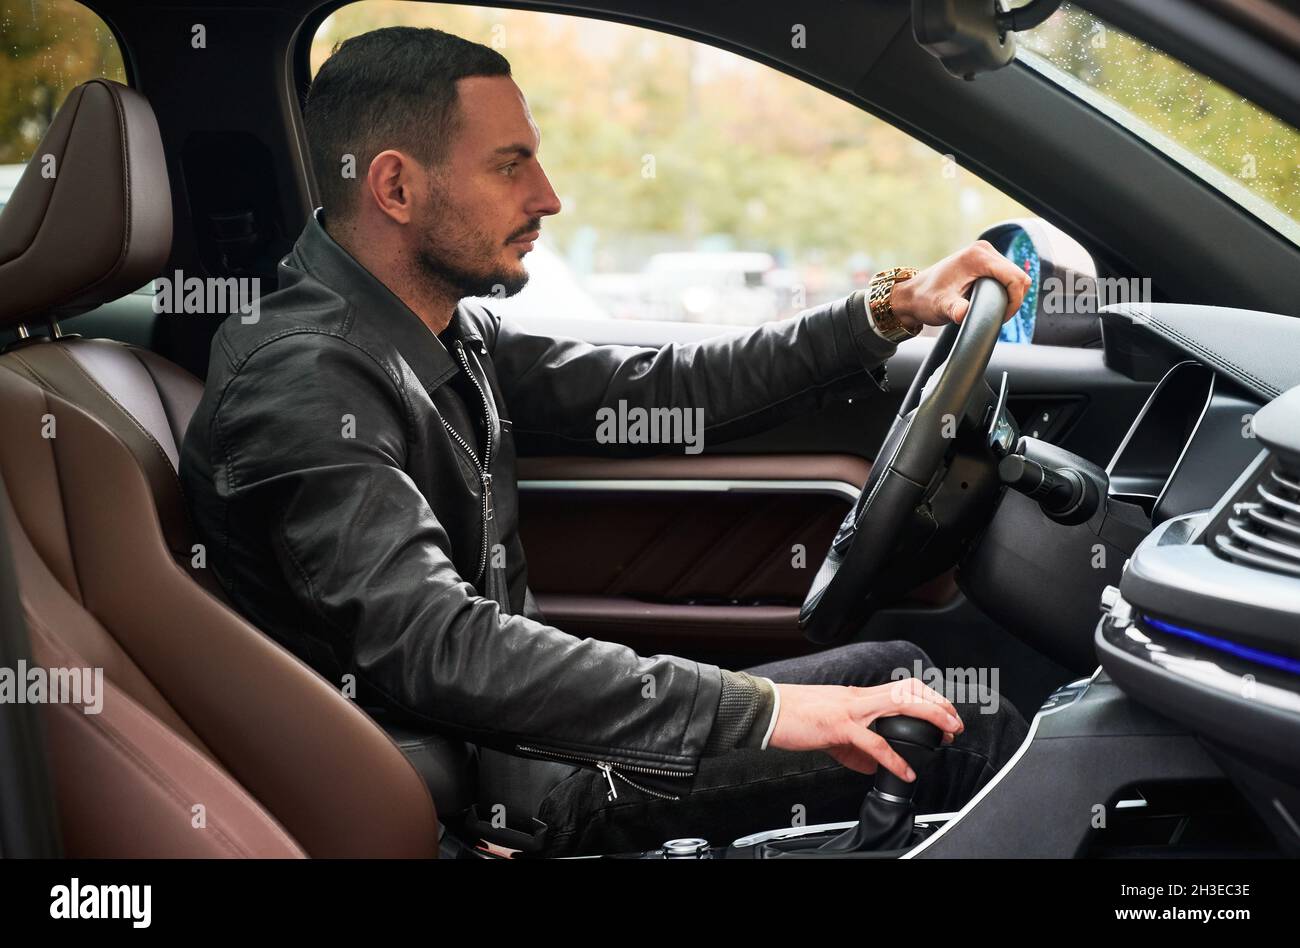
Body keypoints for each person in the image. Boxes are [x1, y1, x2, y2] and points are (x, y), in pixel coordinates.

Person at [180, 26, 1032, 857]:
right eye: (511, 164)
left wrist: (885, 309)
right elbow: (437, 646)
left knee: (914, 678)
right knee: (955, 721)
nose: (548, 196)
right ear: (396, 189)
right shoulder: (301, 383)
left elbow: (662, 390)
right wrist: (761, 712)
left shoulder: (437, 330)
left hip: (524, 743)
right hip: (501, 798)